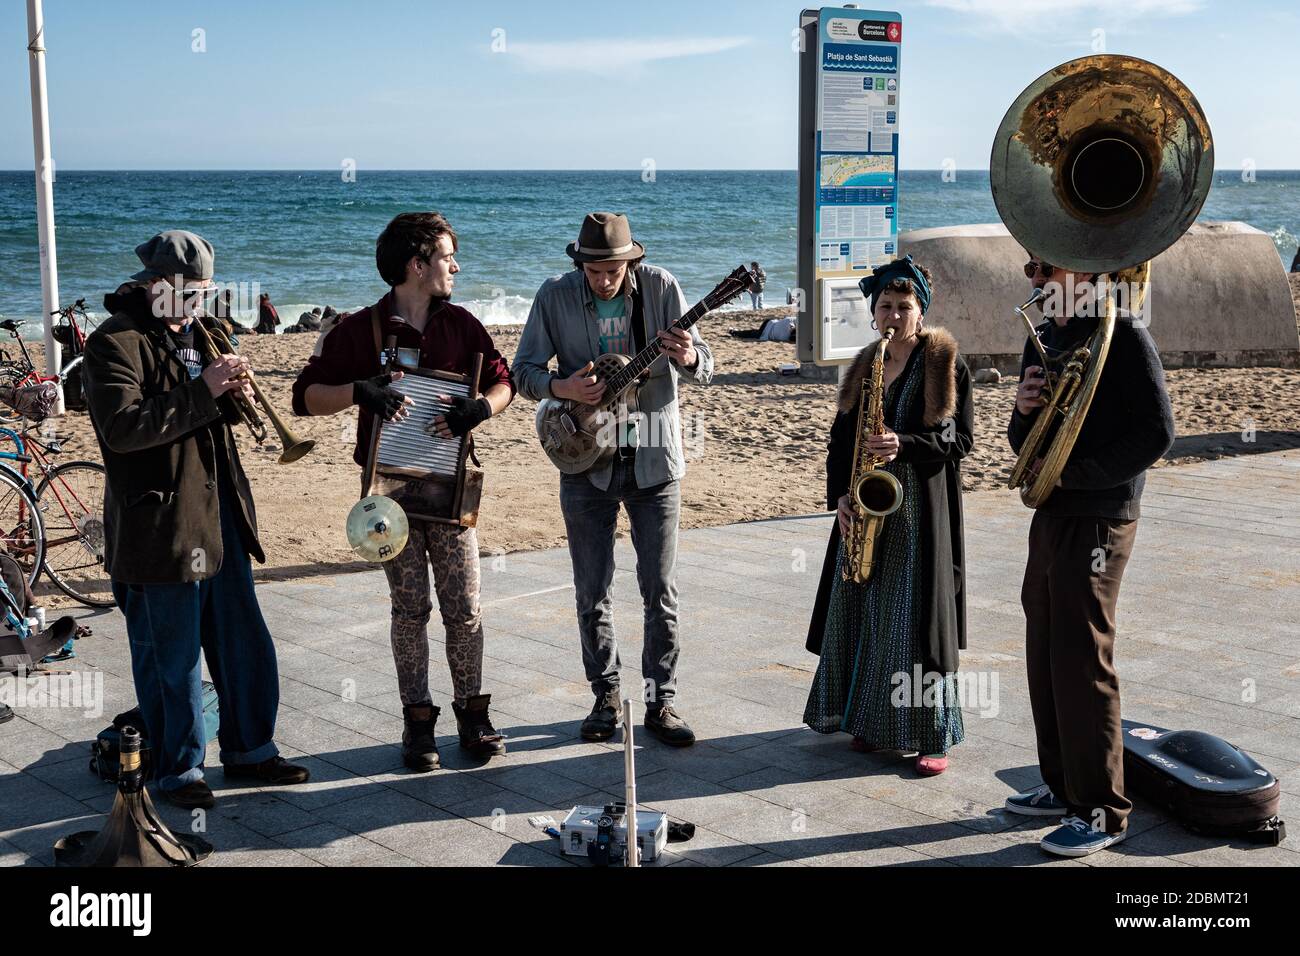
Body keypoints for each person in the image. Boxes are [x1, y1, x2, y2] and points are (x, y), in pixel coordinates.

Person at [81, 230, 310, 810]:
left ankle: (251, 750)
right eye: (188, 292)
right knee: (172, 655)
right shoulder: (115, 343)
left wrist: (231, 389)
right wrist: (203, 390)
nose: (199, 303)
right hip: (160, 522)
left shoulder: (202, 334)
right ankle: (180, 773)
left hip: (220, 513)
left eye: (205, 291)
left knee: (243, 640)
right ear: (155, 286)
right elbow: (123, 429)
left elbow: (217, 419)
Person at [292, 212, 515, 771]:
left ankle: (473, 716)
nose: (456, 266)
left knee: (464, 608)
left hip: (451, 489)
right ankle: (418, 725)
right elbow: (305, 397)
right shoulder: (359, 331)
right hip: (387, 495)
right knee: (409, 610)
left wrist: (479, 408)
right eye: (446, 257)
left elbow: (504, 381)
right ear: (417, 266)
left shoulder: (463, 325)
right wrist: (358, 392)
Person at [513, 212, 714, 747]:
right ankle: (605, 696)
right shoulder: (554, 297)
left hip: (654, 461)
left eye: (614, 269)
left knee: (660, 590)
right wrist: (564, 387)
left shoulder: (663, 289)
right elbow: (522, 373)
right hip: (583, 459)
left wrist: (691, 356)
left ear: (633, 261)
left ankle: (661, 701)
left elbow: (707, 367)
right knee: (591, 588)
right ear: (578, 262)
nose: (603, 279)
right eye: (593, 270)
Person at [1004, 255, 1174, 857]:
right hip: (1052, 511)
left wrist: (1077, 476)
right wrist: (1023, 413)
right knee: (1046, 649)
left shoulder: (1122, 330)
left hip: (1100, 516)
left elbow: (1158, 431)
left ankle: (1102, 810)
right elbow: (1021, 445)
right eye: (1031, 265)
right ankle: (1062, 786)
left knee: (1083, 659)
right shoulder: (1045, 335)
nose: (1034, 277)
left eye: (1046, 267)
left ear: (1087, 272)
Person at [803, 257, 972, 776]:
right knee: (865, 611)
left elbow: (960, 440)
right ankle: (871, 722)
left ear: (921, 313)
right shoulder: (865, 364)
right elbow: (840, 441)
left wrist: (906, 444)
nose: (894, 316)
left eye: (904, 307)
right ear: (873, 314)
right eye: (885, 307)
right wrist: (841, 500)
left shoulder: (946, 364)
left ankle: (931, 737)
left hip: (919, 513)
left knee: (914, 623)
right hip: (868, 505)